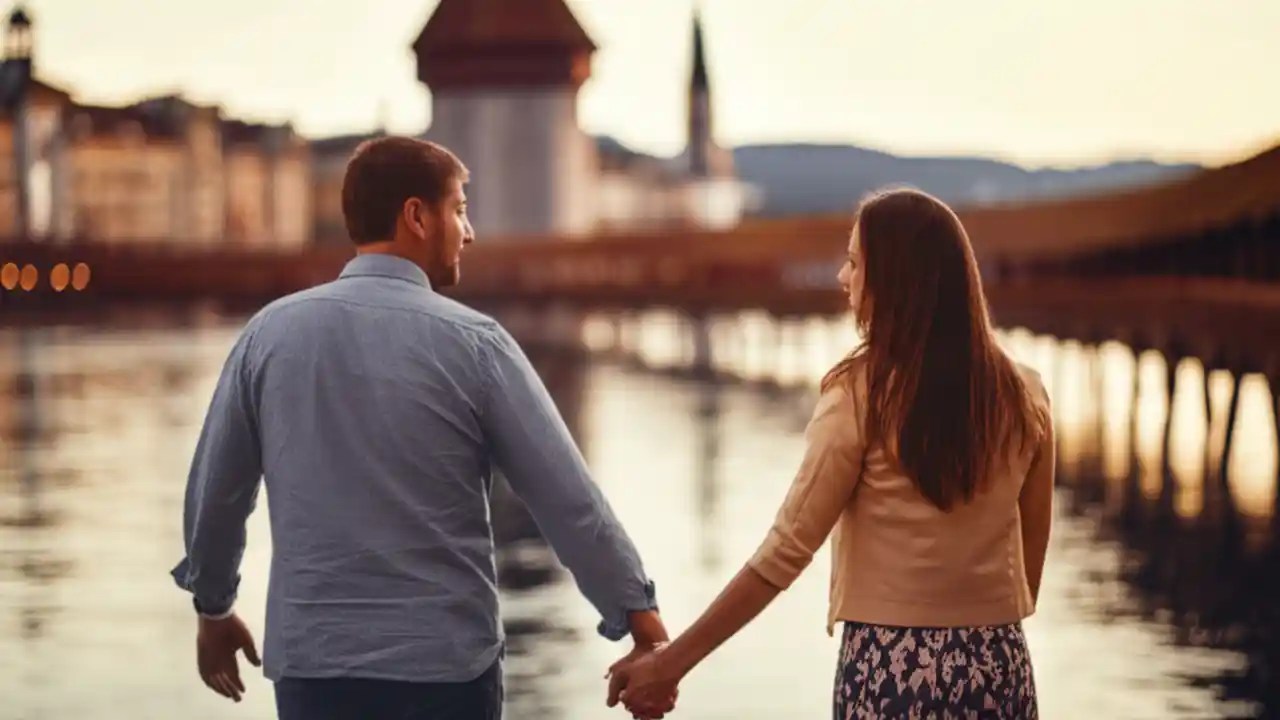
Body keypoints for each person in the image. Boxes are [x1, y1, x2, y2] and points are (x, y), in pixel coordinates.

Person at [170, 136, 674, 720]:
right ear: (416, 216)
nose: (469, 230)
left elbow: (218, 493)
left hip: (315, 668)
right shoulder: (476, 344)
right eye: (459, 208)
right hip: (445, 673)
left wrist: (213, 608)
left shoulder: (269, 335)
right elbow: (567, 501)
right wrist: (643, 623)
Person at [608, 187, 1055, 718]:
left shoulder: (859, 395)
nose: (843, 278)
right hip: (996, 664)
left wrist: (670, 664)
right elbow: (1030, 562)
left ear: (893, 281)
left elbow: (784, 552)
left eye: (854, 262)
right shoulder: (1026, 392)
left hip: (893, 669)